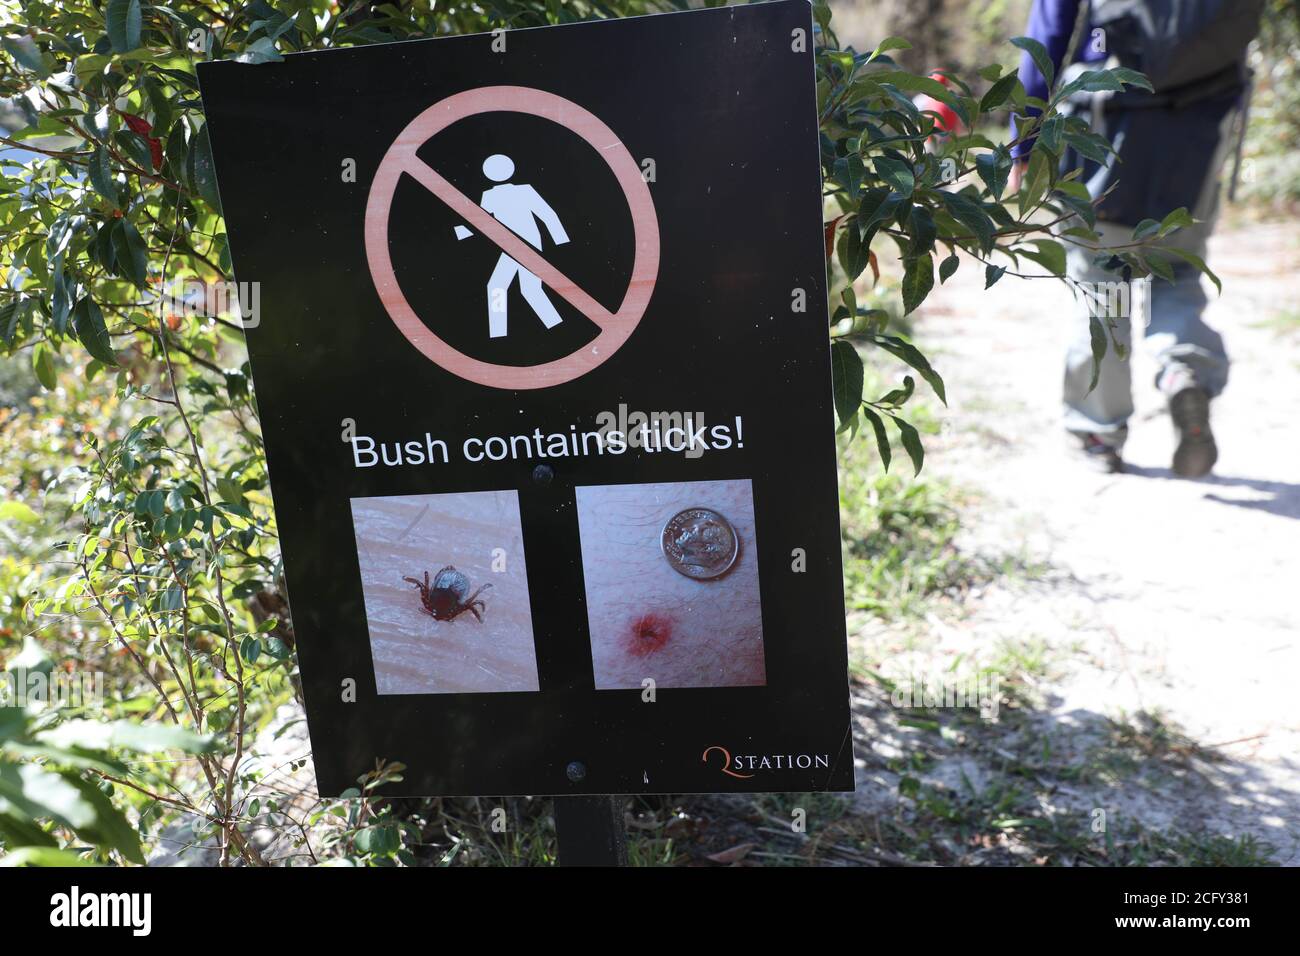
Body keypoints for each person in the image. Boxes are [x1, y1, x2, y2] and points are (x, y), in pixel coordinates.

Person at [1008, 0, 1264, 476]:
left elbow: (1048, 37)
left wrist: (1021, 141)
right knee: (1177, 270)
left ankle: (1098, 432)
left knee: (1102, 283)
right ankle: (1182, 369)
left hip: (1106, 123)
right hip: (1199, 129)